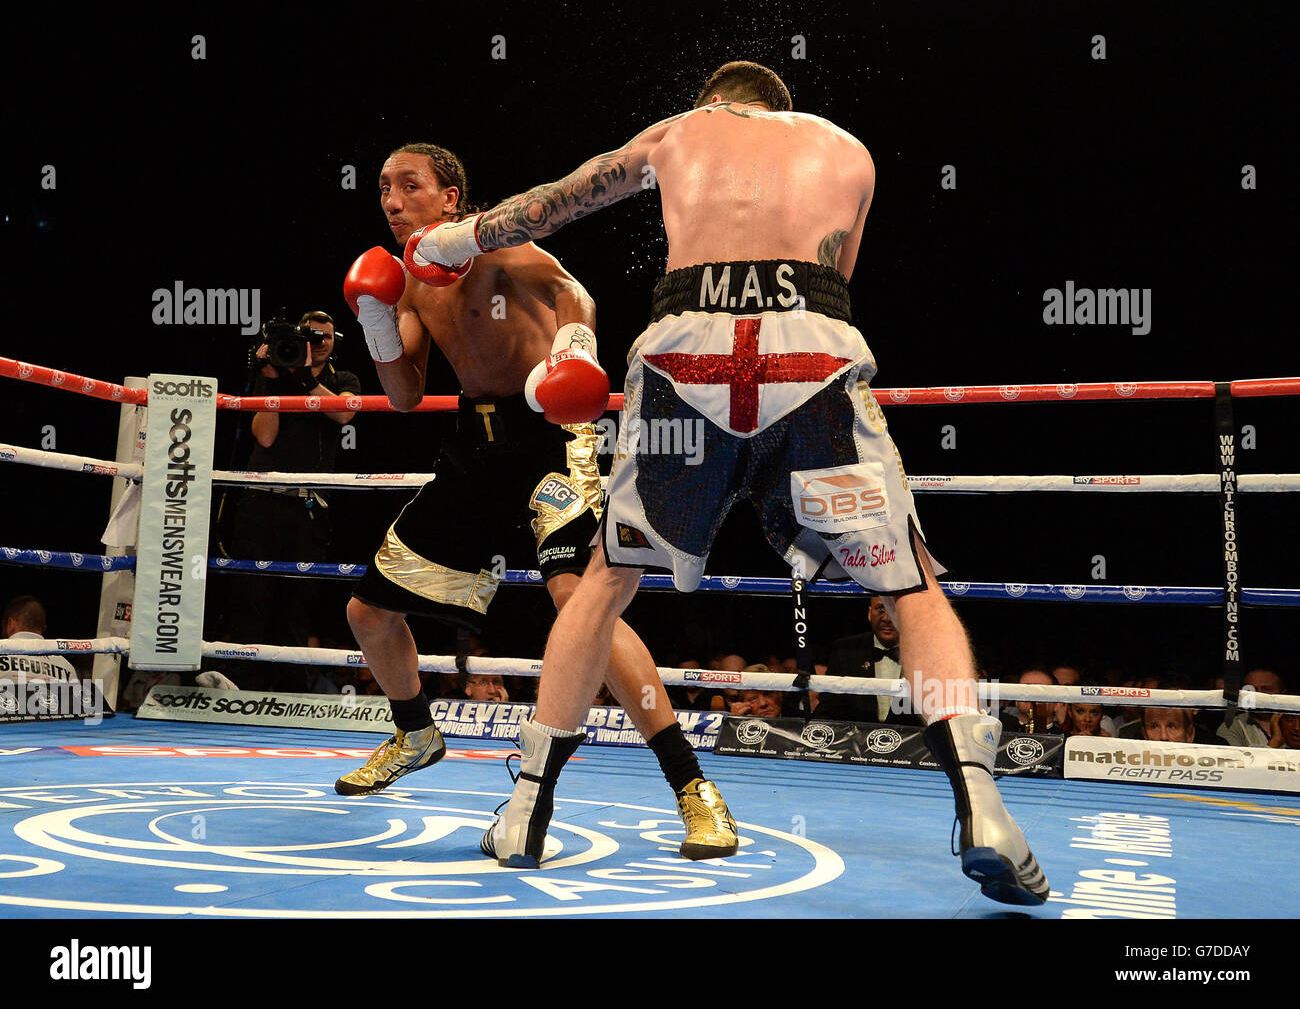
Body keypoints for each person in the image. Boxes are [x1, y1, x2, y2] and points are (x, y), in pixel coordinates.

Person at [408, 61, 1049, 903]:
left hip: (687, 354)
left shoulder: (681, 132)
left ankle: (526, 810)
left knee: (604, 583)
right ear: (782, 108)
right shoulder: (849, 152)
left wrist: (450, 243)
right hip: (809, 353)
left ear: (717, 100)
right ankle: (982, 803)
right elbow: (837, 285)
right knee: (910, 586)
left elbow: (558, 200)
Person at [335, 143, 738, 861]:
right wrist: (373, 315)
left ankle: (693, 788)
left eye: (410, 185)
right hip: (475, 448)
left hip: (552, 435)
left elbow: (575, 296)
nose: (392, 201)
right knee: (368, 611)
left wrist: (574, 352)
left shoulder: (496, 243)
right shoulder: (408, 283)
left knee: (578, 601)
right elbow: (401, 395)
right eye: (383, 189)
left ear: (451, 197)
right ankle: (416, 732)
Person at [221, 312, 360, 666]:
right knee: (250, 597)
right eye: (312, 336)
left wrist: (304, 378)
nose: (320, 342)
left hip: (308, 508)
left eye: (327, 336)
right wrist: (278, 377)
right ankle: (242, 688)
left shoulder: (344, 379)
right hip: (261, 501)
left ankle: (289, 692)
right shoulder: (275, 376)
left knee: (298, 602)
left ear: (335, 341)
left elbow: (344, 415)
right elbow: (264, 436)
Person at [815, 595, 917, 724]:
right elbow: (828, 708)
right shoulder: (846, 650)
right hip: (854, 741)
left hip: (912, 742)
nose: (886, 618)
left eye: (894, 610)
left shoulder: (924, 653)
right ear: (870, 613)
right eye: (880, 609)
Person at [1217, 668, 1287, 747]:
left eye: (1266, 689)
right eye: (1251, 690)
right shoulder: (1232, 726)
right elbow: (1235, 759)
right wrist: (1275, 742)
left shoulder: (1295, 725)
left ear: (1283, 693)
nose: (1258, 695)